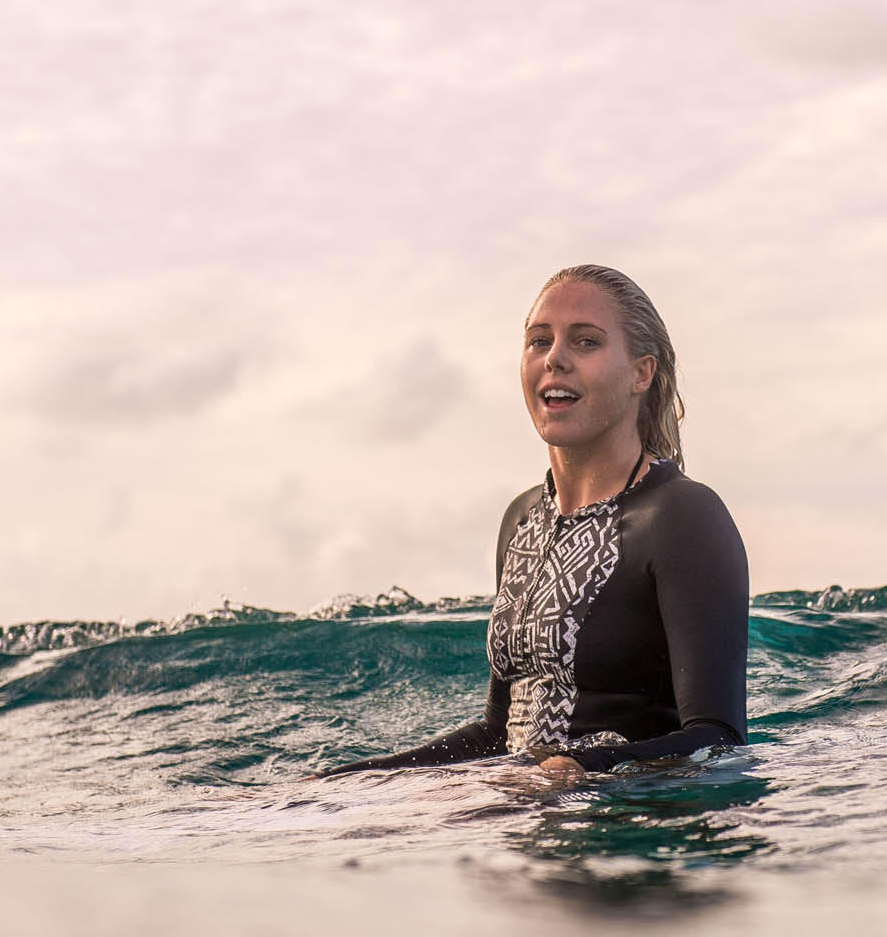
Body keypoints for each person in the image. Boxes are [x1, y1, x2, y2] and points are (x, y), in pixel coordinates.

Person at [321, 264, 749, 780]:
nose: (555, 359)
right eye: (538, 341)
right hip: (527, 813)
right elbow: (496, 734)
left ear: (642, 373)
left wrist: (576, 769)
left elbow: (719, 739)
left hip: (627, 819)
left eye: (585, 342)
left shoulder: (682, 516)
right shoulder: (521, 520)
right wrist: (358, 779)